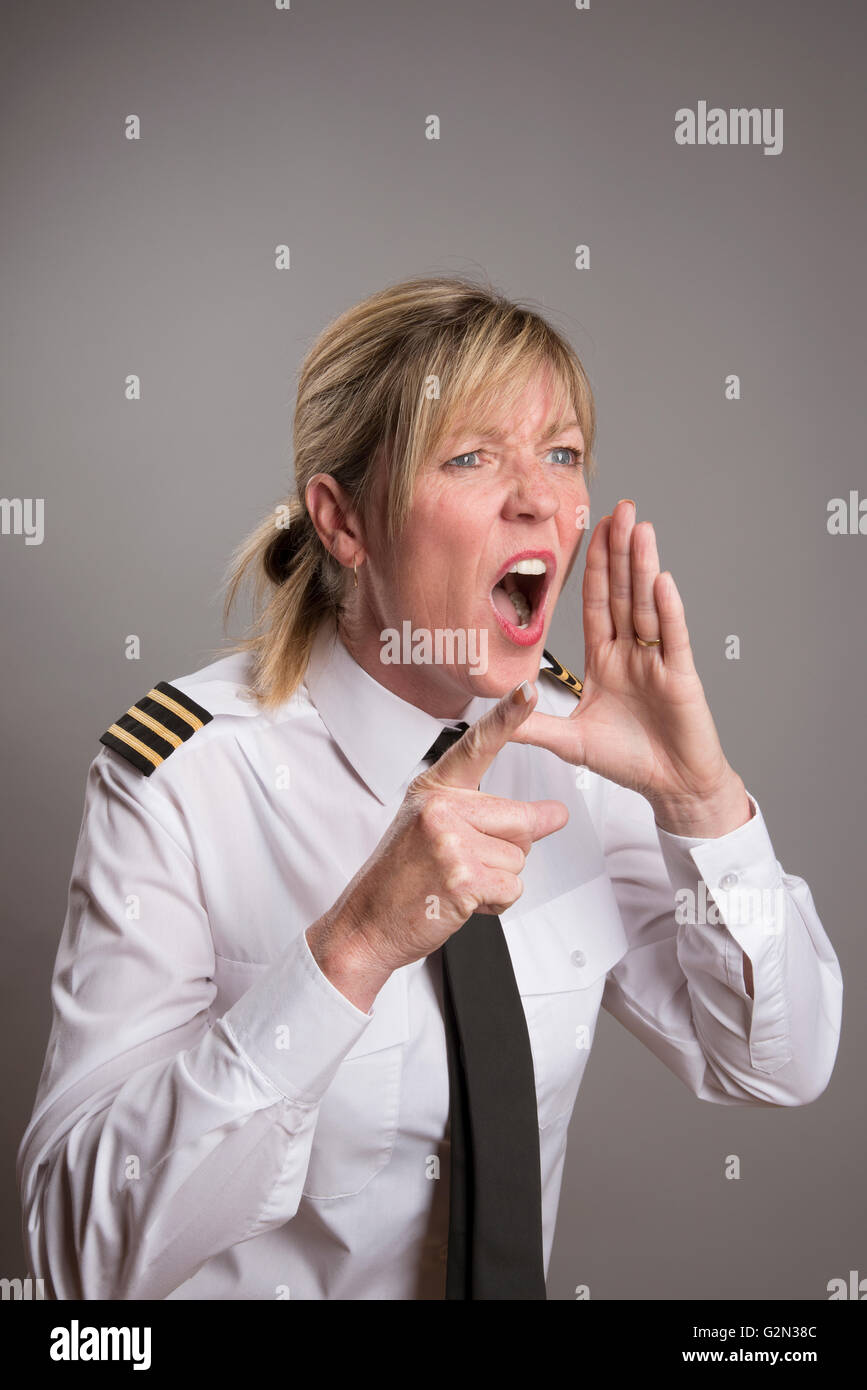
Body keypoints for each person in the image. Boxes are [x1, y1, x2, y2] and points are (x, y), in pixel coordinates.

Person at [17, 276, 842, 1301]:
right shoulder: (184, 780)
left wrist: (699, 800)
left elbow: (778, 1061)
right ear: (343, 519)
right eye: (470, 456)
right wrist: (351, 948)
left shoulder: (580, 747)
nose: (540, 497)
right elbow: (71, 1259)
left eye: (562, 453)